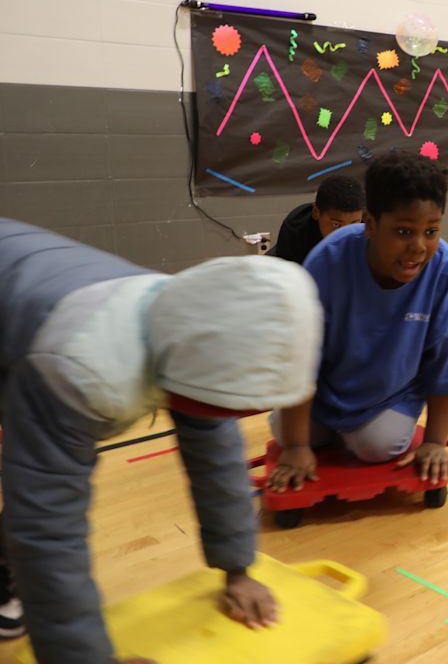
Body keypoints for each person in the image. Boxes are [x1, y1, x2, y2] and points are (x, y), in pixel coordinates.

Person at [0, 219, 323, 664]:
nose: (234, 419)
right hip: (36, 325)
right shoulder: (79, 366)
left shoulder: (190, 323)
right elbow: (48, 528)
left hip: (26, 301)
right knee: (36, 491)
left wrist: (237, 569)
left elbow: (215, 454)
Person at [268, 152, 448, 491]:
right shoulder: (327, 262)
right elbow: (301, 358)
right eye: (404, 231)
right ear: (370, 225)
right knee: (286, 432)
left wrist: (434, 441)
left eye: (431, 231)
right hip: (329, 385)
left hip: (390, 393)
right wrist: (297, 446)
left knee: (375, 447)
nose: (418, 247)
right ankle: (323, 432)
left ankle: (360, 428)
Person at [272, 174, 365, 264]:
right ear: (316, 212)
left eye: (354, 224)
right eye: (336, 225)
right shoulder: (295, 231)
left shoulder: (370, 229)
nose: (345, 235)